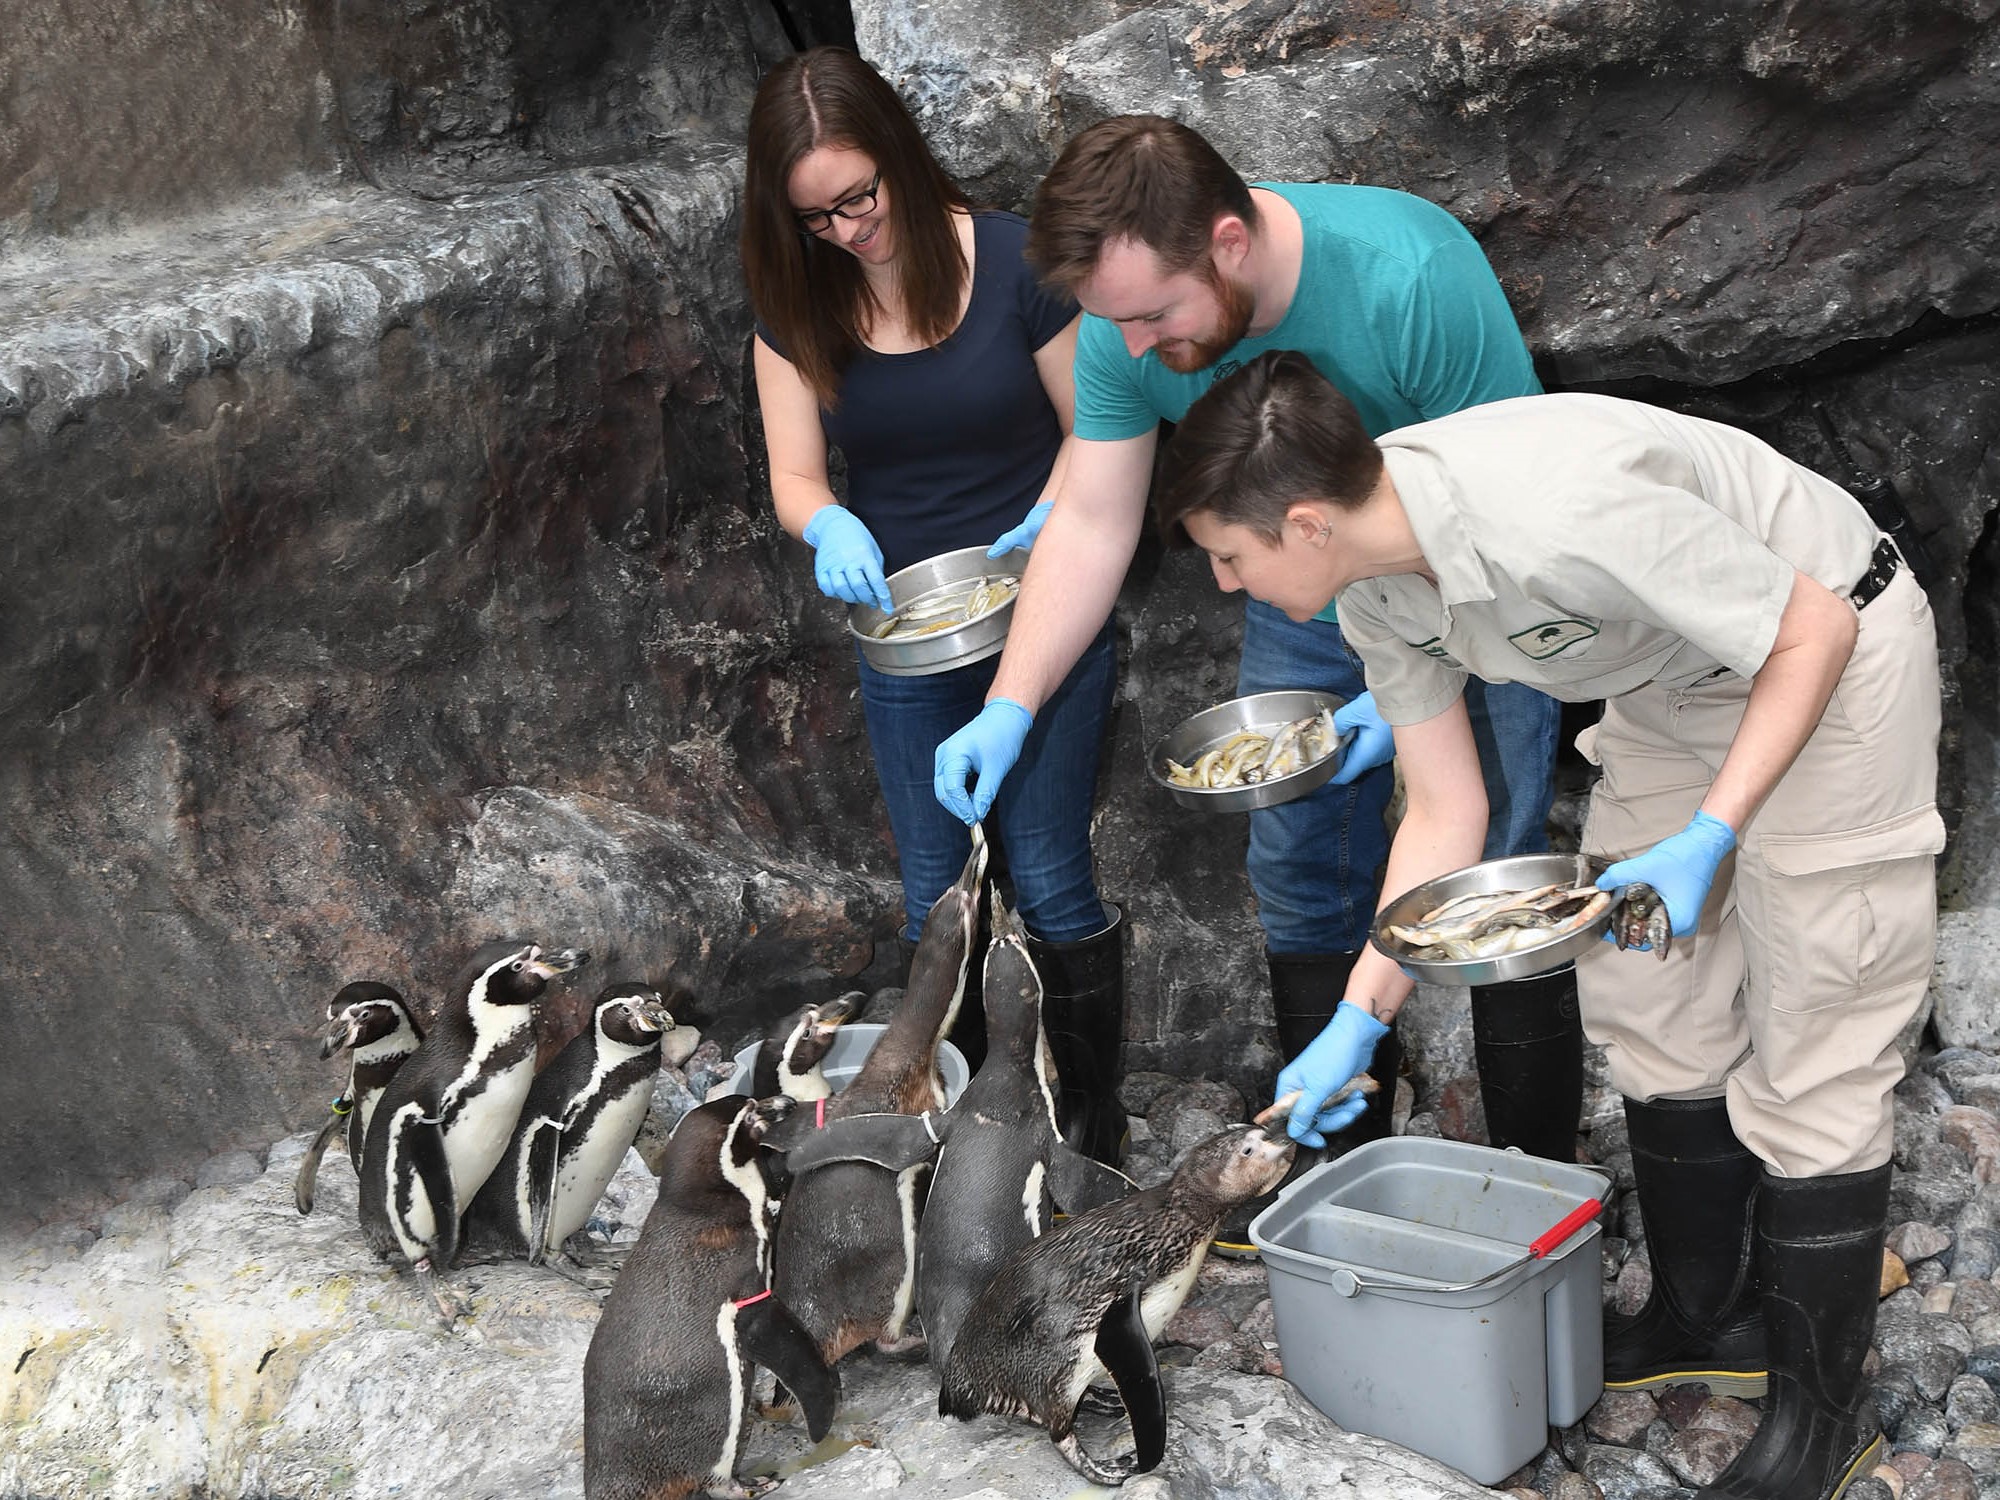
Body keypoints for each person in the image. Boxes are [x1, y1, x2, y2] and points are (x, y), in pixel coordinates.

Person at [1159, 349, 1943, 1500]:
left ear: (1306, 522)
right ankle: (1703, 1318)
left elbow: (1809, 632)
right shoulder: (1374, 587)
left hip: (1829, 648)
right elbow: (1443, 809)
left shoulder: (1552, 513)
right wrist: (1355, 1023)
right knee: (1647, 998)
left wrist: (1711, 833)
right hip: (1679, 684)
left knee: (1820, 1030)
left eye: (1229, 555)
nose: (1224, 582)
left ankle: (1823, 1425)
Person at [930, 115, 1575, 1247]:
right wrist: (1007, 702)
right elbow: (1090, 517)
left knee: (1500, 867)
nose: (1127, 346)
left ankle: (1538, 1185)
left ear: (1228, 243)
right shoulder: (1118, 325)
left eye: (1151, 316)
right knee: (1294, 852)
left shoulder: (1409, 279)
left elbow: (1522, 508)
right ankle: (1335, 1155)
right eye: (1110, 318)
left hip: (1486, 592)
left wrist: (1432, 678)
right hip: (1303, 604)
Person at [739, 47, 1126, 1161]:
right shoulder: (794, 302)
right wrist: (827, 526)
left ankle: (1087, 1131)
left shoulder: (1012, 261)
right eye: (816, 218)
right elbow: (795, 479)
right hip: (904, 633)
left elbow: (1095, 430)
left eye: (859, 198)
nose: (849, 231)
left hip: (1041, 605)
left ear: (900, 159)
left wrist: (1050, 514)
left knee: (1049, 876)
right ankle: (962, 1139)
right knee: (929, 892)